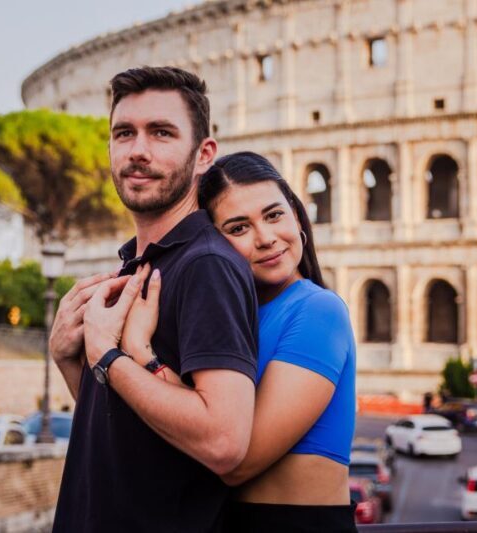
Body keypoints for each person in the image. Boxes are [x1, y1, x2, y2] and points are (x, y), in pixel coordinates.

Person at [48, 67, 258, 532]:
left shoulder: (207, 266)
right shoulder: (135, 264)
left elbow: (224, 440)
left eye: (161, 133)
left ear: (204, 155)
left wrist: (108, 355)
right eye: (124, 133)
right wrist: (69, 359)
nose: (138, 150)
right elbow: (123, 424)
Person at [118, 152, 358, 532]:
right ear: (216, 242)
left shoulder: (318, 310)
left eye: (274, 215)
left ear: (297, 216)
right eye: (238, 228)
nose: (265, 239)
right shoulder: (228, 321)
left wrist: (139, 354)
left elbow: (234, 458)